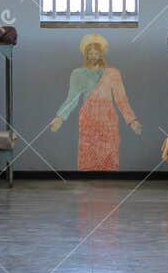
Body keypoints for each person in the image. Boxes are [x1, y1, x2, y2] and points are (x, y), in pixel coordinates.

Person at [50, 33, 141, 171]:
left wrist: (132, 120)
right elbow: (72, 98)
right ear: (85, 54)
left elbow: (121, 99)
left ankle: (109, 189)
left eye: (96, 52)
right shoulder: (78, 74)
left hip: (108, 120)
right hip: (88, 119)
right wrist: (60, 118)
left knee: (109, 157)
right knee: (88, 157)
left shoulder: (113, 73)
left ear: (102, 54)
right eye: (90, 53)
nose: (93, 56)